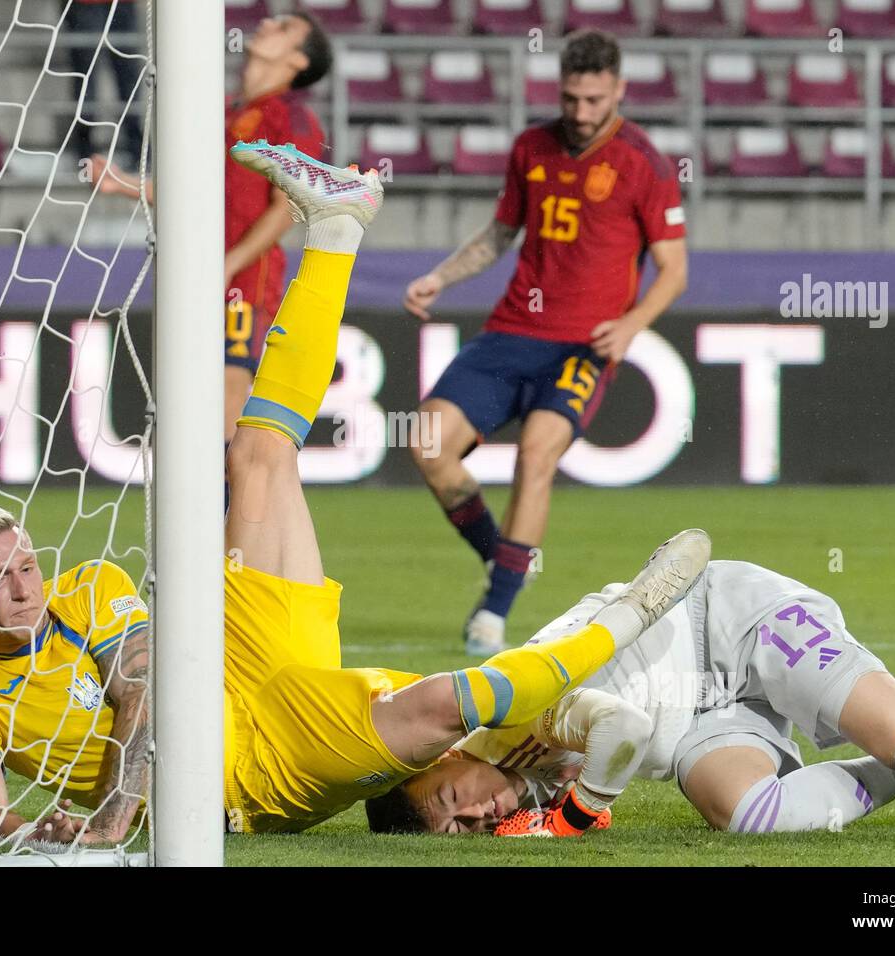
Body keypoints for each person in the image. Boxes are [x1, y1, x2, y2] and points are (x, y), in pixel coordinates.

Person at [217, 139, 710, 833]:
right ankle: (334, 230)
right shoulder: (421, 742)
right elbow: (596, 722)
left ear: (426, 772)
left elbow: (509, 694)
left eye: (456, 808)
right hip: (277, 687)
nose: (482, 810)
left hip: (247, 749)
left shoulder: (387, 739)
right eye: (481, 825)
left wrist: (635, 612)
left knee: (257, 458)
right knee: (263, 457)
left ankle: (501, 590)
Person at [366, 561, 895, 836]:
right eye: (455, 827)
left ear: (445, 754)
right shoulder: (513, 781)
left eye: (455, 798)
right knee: (750, 814)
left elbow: (622, 728)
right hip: (698, 712)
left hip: (729, 622)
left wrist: (573, 818)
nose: (479, 813)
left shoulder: (513, 708)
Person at [401, 30, 689, 656]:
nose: (581, 113)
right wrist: (439, 277)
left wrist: (634, 322)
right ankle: (507, 561)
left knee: (537, 453)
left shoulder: (644, 162)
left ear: (618, 90)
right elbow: (500, 232)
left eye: (593, 100)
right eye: (570, 98)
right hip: (512, 332)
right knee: (426, 441)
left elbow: (674, 268)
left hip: (583, 345)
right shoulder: (532, 146)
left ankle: (493, 614)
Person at [89, 12, 332, 453]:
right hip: (194, 275)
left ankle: (227, 517)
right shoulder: (225, 110)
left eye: (282, 27)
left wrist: (227, 266)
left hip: (244, 280)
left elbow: (287, 210)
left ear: (298, 59)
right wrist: (121, 184)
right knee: (187, 410)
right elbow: (195, 194)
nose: (267, 23)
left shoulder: (292, 120)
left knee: (226, 397)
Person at [0, 506, 150, 845]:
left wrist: (112, 820)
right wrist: (39, 834)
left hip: (254, 724)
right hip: (219, 812)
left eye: (28, 568)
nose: (23, 591)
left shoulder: (92, 588)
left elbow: (144, 690)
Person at [61, 0, 144, 172]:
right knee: (86, 83)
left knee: (128, 79)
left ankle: (139, 155)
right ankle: (85, 160)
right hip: (85, 4)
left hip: (121, 3)